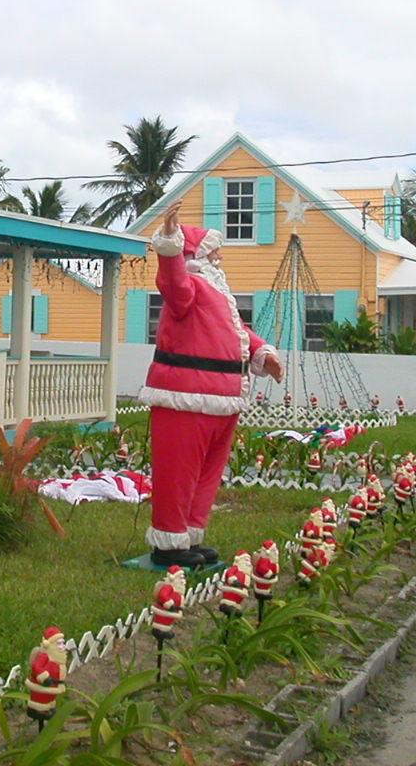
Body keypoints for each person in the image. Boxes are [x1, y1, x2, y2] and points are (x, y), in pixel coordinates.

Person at [139, 201, 284, 568]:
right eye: (214, 249)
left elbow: (236, 332)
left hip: (224, 397)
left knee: (206, 472)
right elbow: (172, 282)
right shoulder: (187, 288)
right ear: (197, 253)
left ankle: (189, 533)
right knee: (179, 470)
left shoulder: (218, 292)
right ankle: (168, 541)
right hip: (186, 394)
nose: (220, 256)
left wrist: (261, 353)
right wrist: (170, 242)